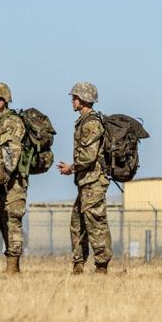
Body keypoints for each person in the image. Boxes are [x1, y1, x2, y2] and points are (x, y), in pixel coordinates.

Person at [57, 82, 112, 274]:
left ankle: (101, 267)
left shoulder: (91, 124)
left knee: (96, 224)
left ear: (84, 99)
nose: (72, 101)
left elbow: (89, 156)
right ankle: (78, 265)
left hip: (93, 183)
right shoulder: (84, 122)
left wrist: (71, 168)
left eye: (75, 98)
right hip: (86, 183)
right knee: (77, 223)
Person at [0, 82, 28, 273]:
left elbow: (13, 152)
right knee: (3, 219)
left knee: (13, 220)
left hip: (14, 181)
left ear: (5, 100)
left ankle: (13, 266)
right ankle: (11, 264)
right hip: (2, 180)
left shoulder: (11, 122)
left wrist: (5, 174)